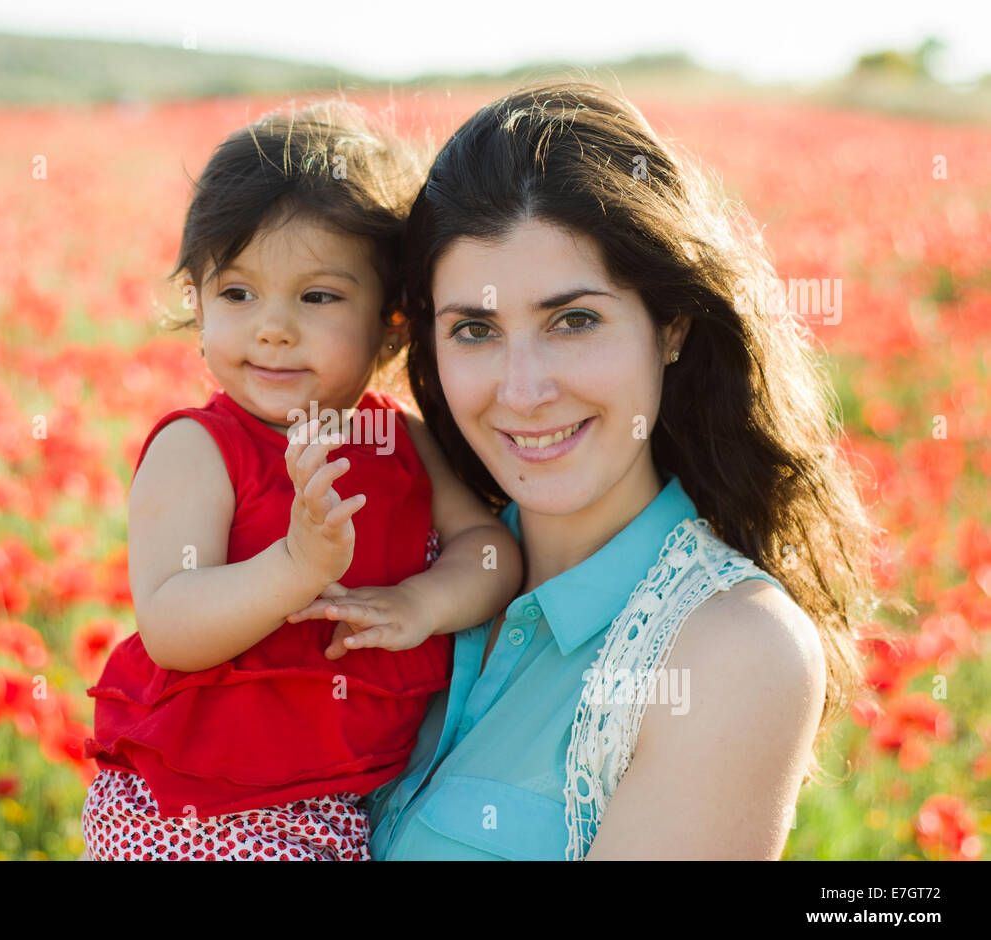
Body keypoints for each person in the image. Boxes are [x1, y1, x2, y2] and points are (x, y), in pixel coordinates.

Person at [343, 80, 878, 859]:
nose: (523, 391)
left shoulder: (726, 651)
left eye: (574, 319)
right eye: (475, 329)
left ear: (672, 327)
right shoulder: (399, 569)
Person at [80, 100, 523, 860]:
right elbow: (170, 621)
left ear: (391, 318)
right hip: (197, 810)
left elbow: (489, 549)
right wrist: (296, 566)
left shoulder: (400, 437)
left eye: (317, 296)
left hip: (347, 803)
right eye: (237, 293)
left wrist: (422, 600)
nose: (272, 327)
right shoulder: (199, 448)